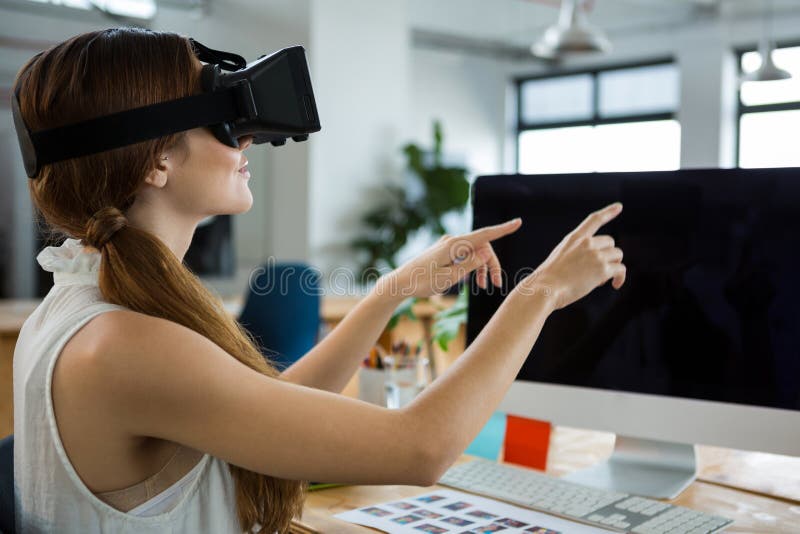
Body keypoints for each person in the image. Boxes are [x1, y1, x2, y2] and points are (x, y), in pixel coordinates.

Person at [11, 27, 626, 534]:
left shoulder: (83, 305)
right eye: (225, 121)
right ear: (157, 160)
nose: (248, 139)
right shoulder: (123, 346)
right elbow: (420, 447)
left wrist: (394, 290)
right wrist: (540, 292)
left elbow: (270, 409)